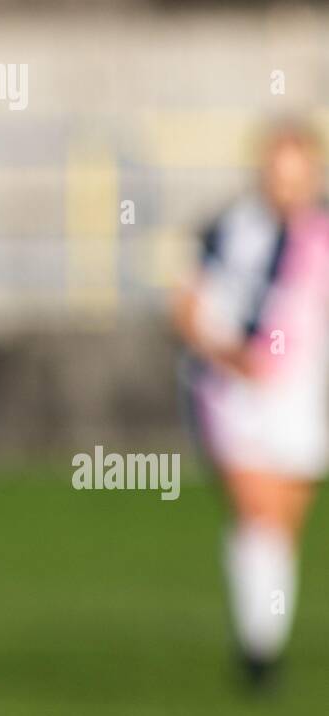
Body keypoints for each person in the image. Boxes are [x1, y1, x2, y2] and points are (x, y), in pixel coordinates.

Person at [173, 119, 329, 686]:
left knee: (281, 528)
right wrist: (229, 354)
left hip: (301, 399)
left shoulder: (322, 235)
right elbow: (186, 305)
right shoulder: (229, 230)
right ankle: (259, 655)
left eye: (299, 175)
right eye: (278, 174)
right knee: (257, 515)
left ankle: (264, 641)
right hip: (231, 393)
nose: (288, 188)